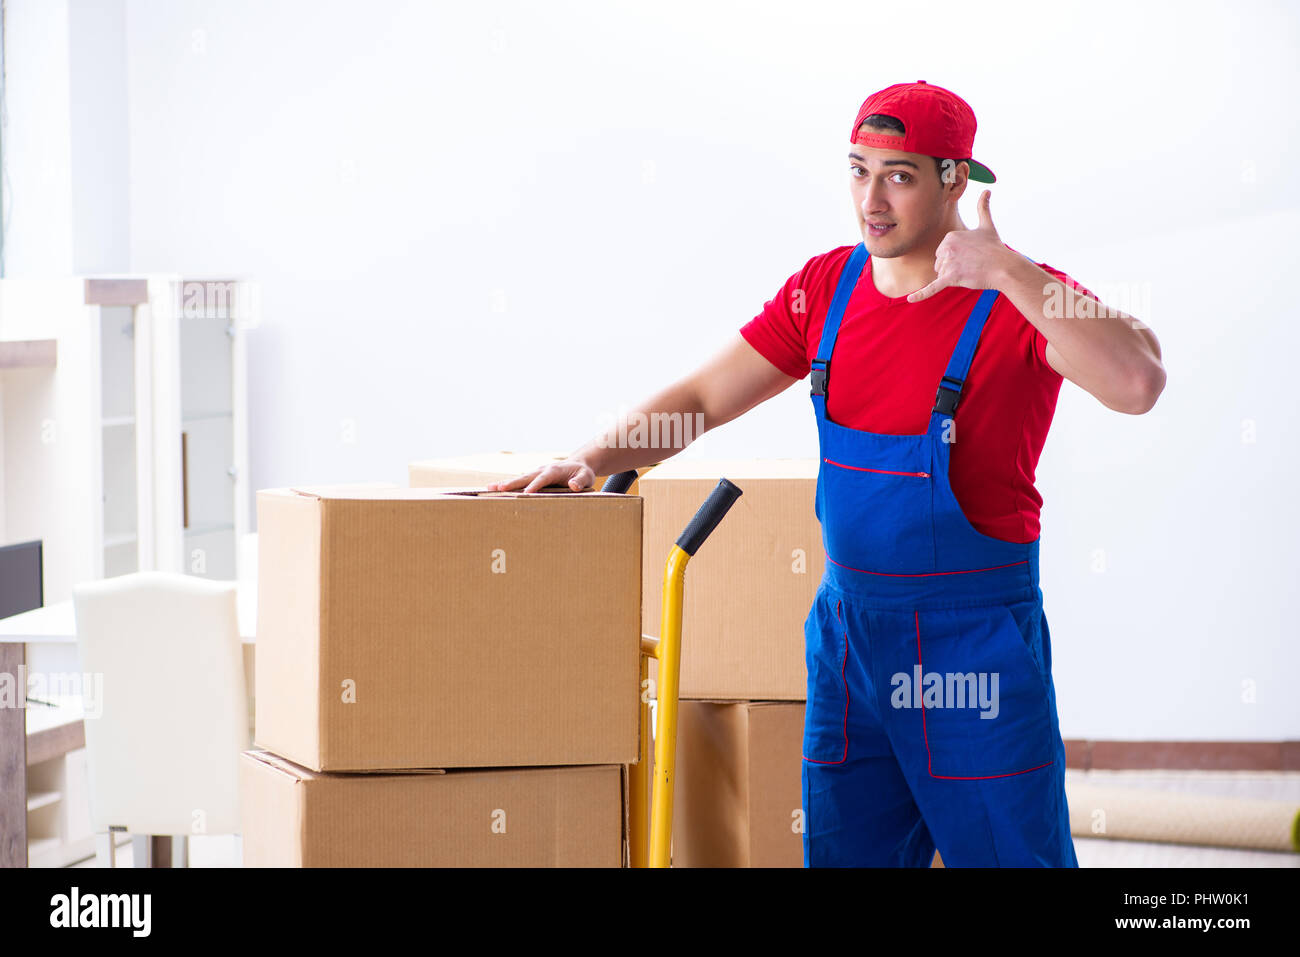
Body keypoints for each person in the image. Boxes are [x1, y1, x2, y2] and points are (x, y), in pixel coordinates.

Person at [489, 80, 1166, 867]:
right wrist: (598, 456)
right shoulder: (827, 290)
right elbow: (705, 396)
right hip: (850, 643)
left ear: (957, 179)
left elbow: (1138, 381)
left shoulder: (1017, 299)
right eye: (858, 170)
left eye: (900, 175)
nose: (871, 200)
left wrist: (1009, 269)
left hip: (971, 649)